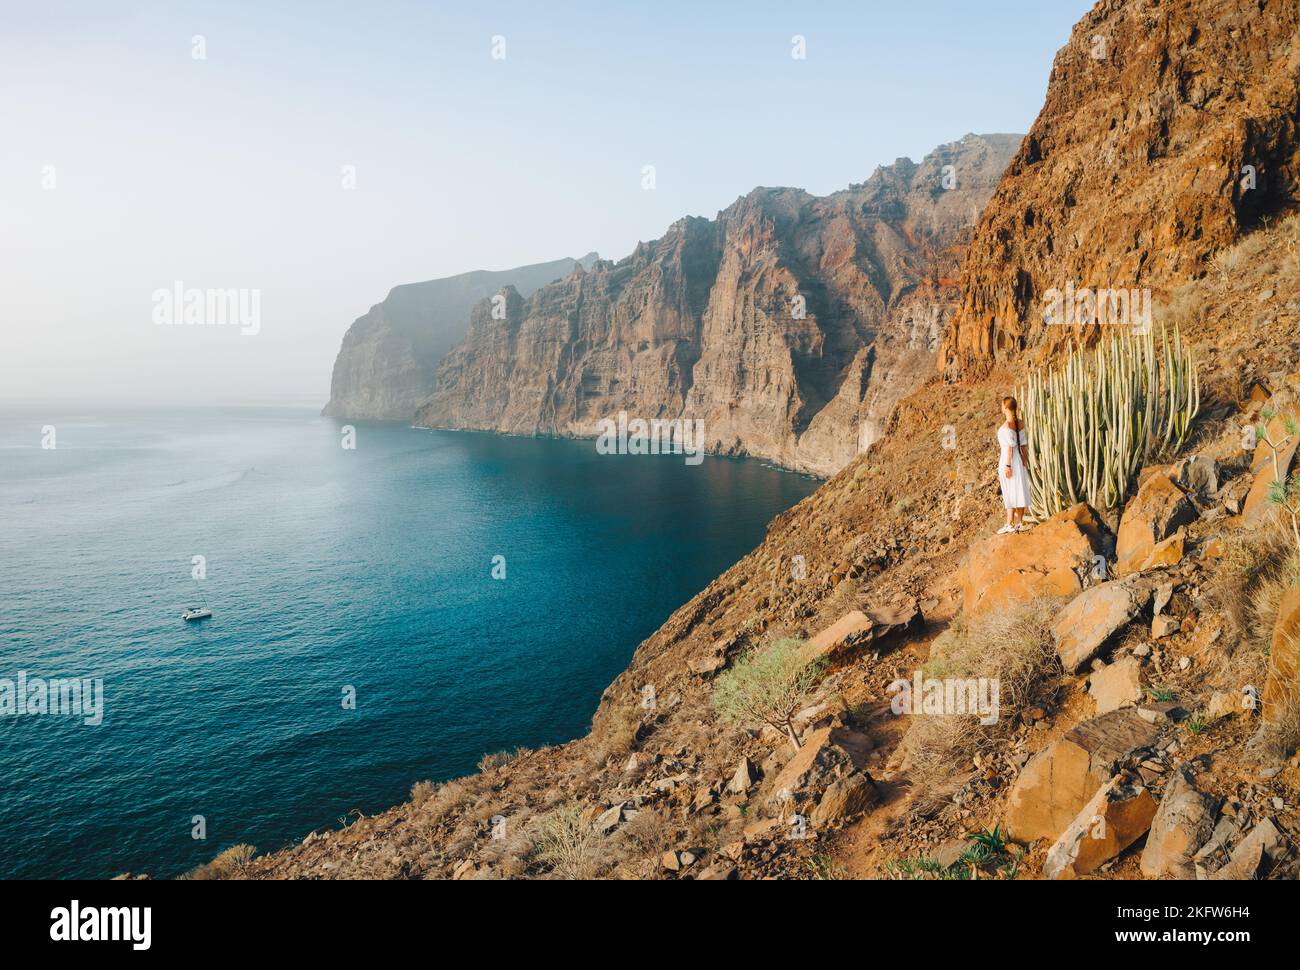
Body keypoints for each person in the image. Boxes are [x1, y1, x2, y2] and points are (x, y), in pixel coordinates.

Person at [997, 396, 1030, 534]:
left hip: (1008, 460)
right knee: (1019, 490)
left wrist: (1008, 466)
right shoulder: (1020, 423)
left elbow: (1009, 448)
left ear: (1005, 408)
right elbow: (1023, 445)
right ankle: (1020, 522)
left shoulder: (1006, 427)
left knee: (1009, 491)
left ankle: (1010, 524)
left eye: (1002, 405)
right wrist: (1025, 462)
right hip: (1019, 459)